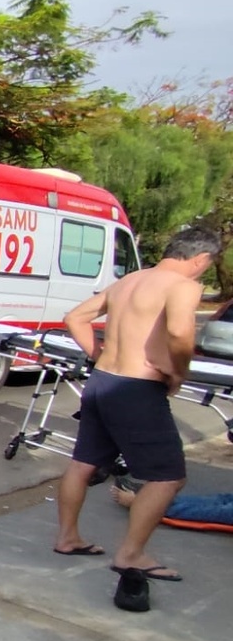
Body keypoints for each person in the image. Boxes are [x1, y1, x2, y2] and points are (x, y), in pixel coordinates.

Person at [52, 227, 218, 606]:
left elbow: (75, 317)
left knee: (84, 463)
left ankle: (67, 537)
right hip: (136, 389)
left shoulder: (129, 281)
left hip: (102, 380)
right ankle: (130, 554)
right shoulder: (182, 286)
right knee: (167, 477)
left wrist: (97, 354)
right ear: (200, 260)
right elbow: (178, 332)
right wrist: (179, 371)